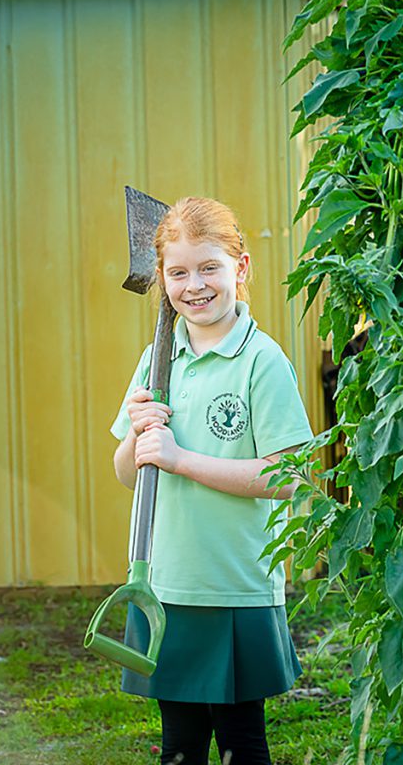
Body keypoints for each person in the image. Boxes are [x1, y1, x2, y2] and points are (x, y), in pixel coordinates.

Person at [111, 196, 313, 765]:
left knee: (241, 745)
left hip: (233, 584)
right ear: (160, 279)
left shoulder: (261, 361)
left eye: (209, 268)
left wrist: (181, 459)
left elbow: (287, 475)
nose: (193, 286)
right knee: (179, 744)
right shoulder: (157, 357)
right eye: (177, 273)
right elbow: (127, 474)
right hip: (164, 584)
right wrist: (137, 435)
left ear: (240, 269)